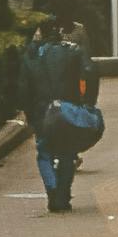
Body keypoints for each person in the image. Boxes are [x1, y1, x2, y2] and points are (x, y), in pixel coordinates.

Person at [22, 14, 95, 213]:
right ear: (60, 31)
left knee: (44, 152)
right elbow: (90, 72)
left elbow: (24, 88)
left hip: (41, 112)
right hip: (68, 109)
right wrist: (88, 104)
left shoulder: (31, 55)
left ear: (39, 32)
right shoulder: (73, 51)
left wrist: (29, 114)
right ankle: (63, 194)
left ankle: (52, 190)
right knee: (67, 152)